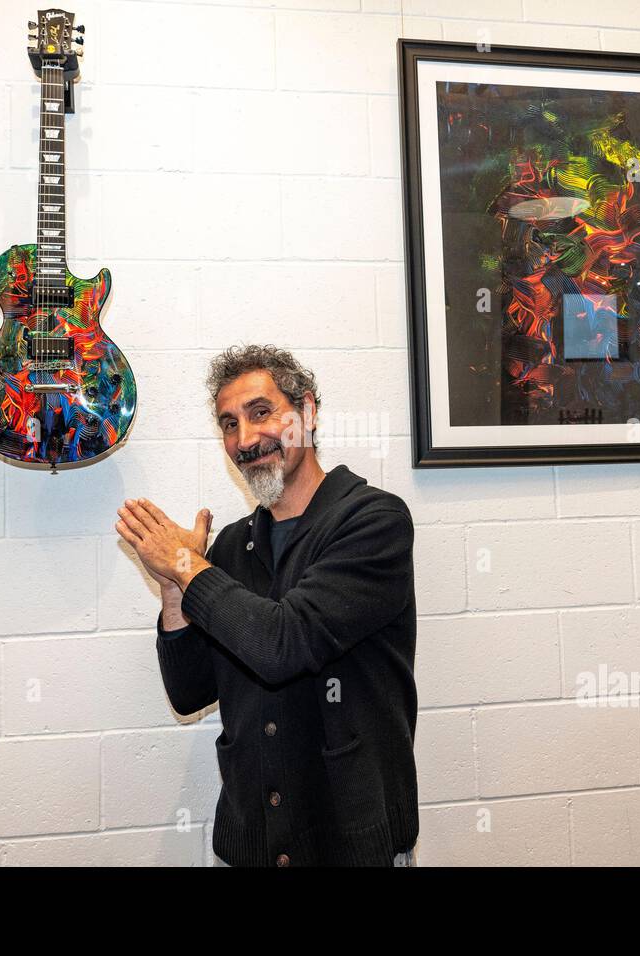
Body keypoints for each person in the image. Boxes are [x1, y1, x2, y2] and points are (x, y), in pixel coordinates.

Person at [114, 344, 419, 867]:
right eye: (229, 424)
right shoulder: (231, 547)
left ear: (307, 412)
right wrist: (172, 587)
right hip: (250, 844)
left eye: (261, 413)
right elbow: (191, 692)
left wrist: (189, 566)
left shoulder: (374, 522)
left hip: (352, 846)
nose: (246, 439)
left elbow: (283, 644)